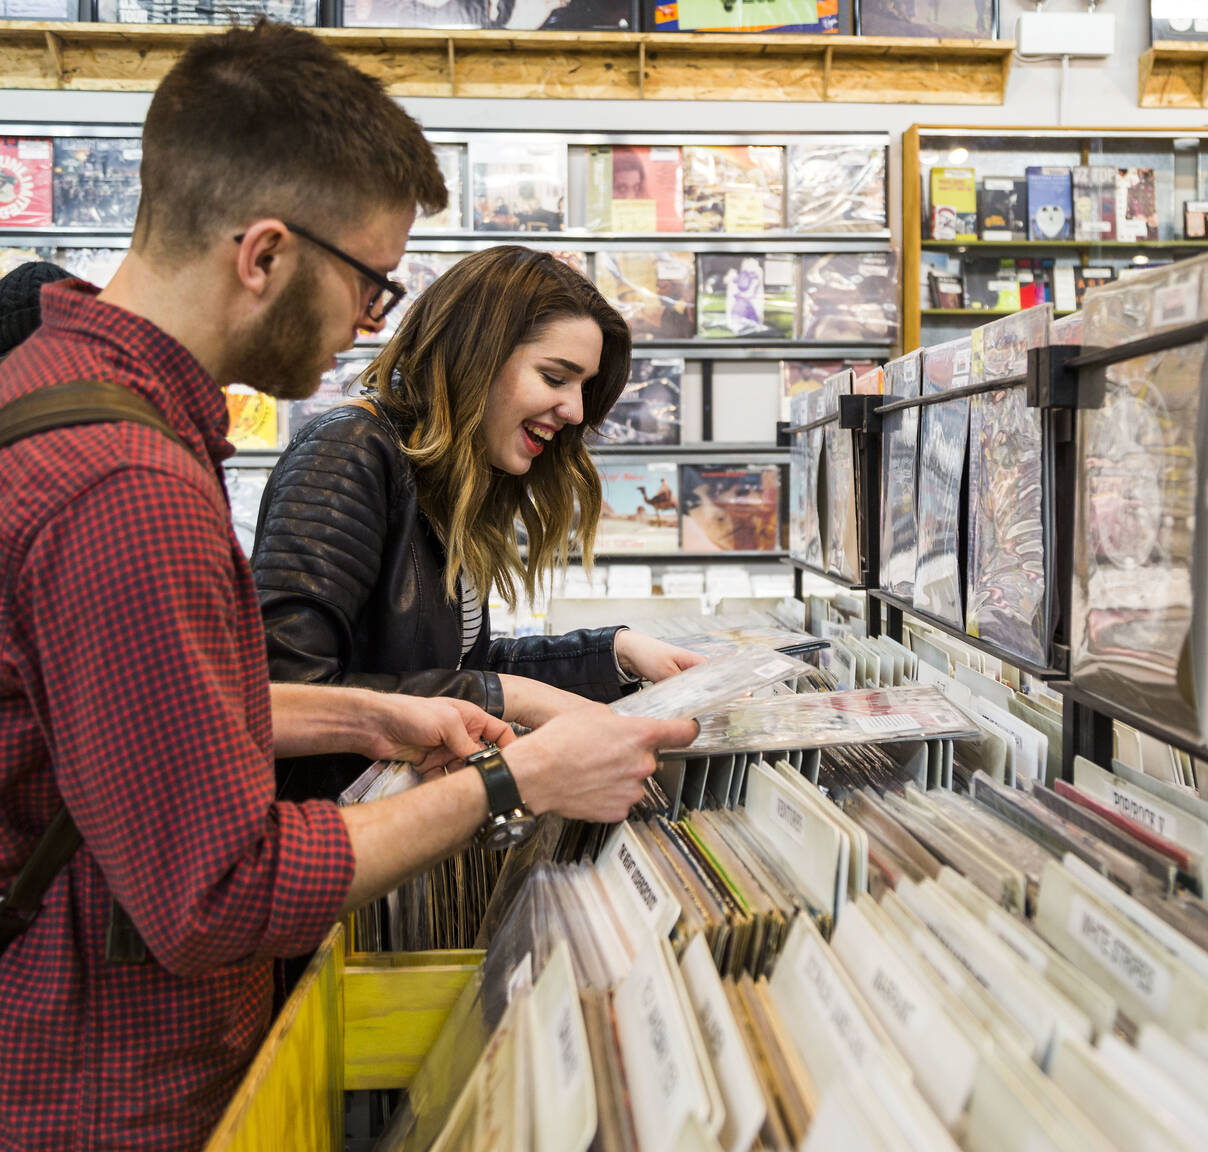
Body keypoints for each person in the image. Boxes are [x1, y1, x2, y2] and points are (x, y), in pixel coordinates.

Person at [0, 24, 695, 1152]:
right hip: (104, 1087)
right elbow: (217, 896)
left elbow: (156, 718)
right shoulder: (125, 482)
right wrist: (513, 782)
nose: (372, 322)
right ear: (264, 255)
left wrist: (374, 711)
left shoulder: (93, 409)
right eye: (370, 282)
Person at [251, 244, 706, 803]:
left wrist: (616, 651)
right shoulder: (348, 454)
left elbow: (461, 667)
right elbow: (286, 695)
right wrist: (508, 696)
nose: (576, 412)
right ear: (476, 355)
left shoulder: (445, 480)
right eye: (555, 377)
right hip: (332, 850)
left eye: (583, 387)